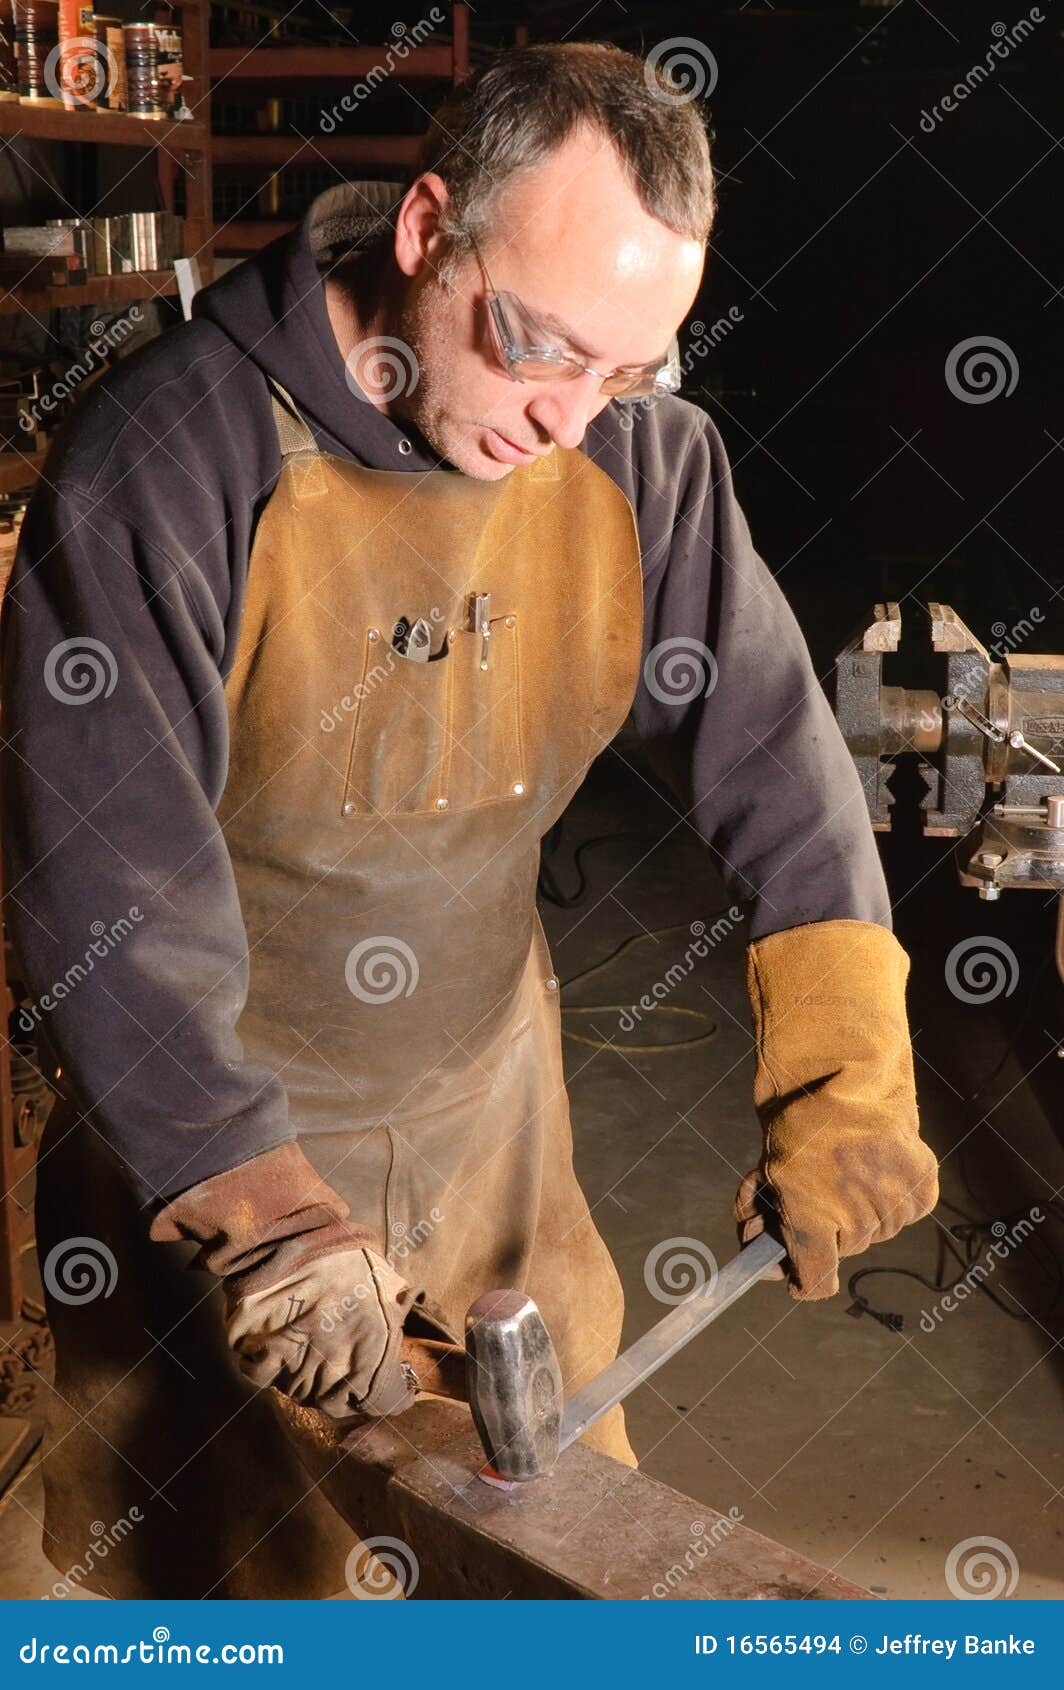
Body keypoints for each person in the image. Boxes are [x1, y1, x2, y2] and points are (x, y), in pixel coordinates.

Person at [0, 42, 937, 1599]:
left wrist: (847, 1068)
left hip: (493, 1146)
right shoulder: (171, 466)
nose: (569, 421)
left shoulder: (637, 464)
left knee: (538, 1580)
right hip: (215, 1175)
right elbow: (106, 890)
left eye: (626, 372)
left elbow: (779, 757)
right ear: (428, 228)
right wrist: (262, 1217)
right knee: (249, 1591)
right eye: (538, 346)